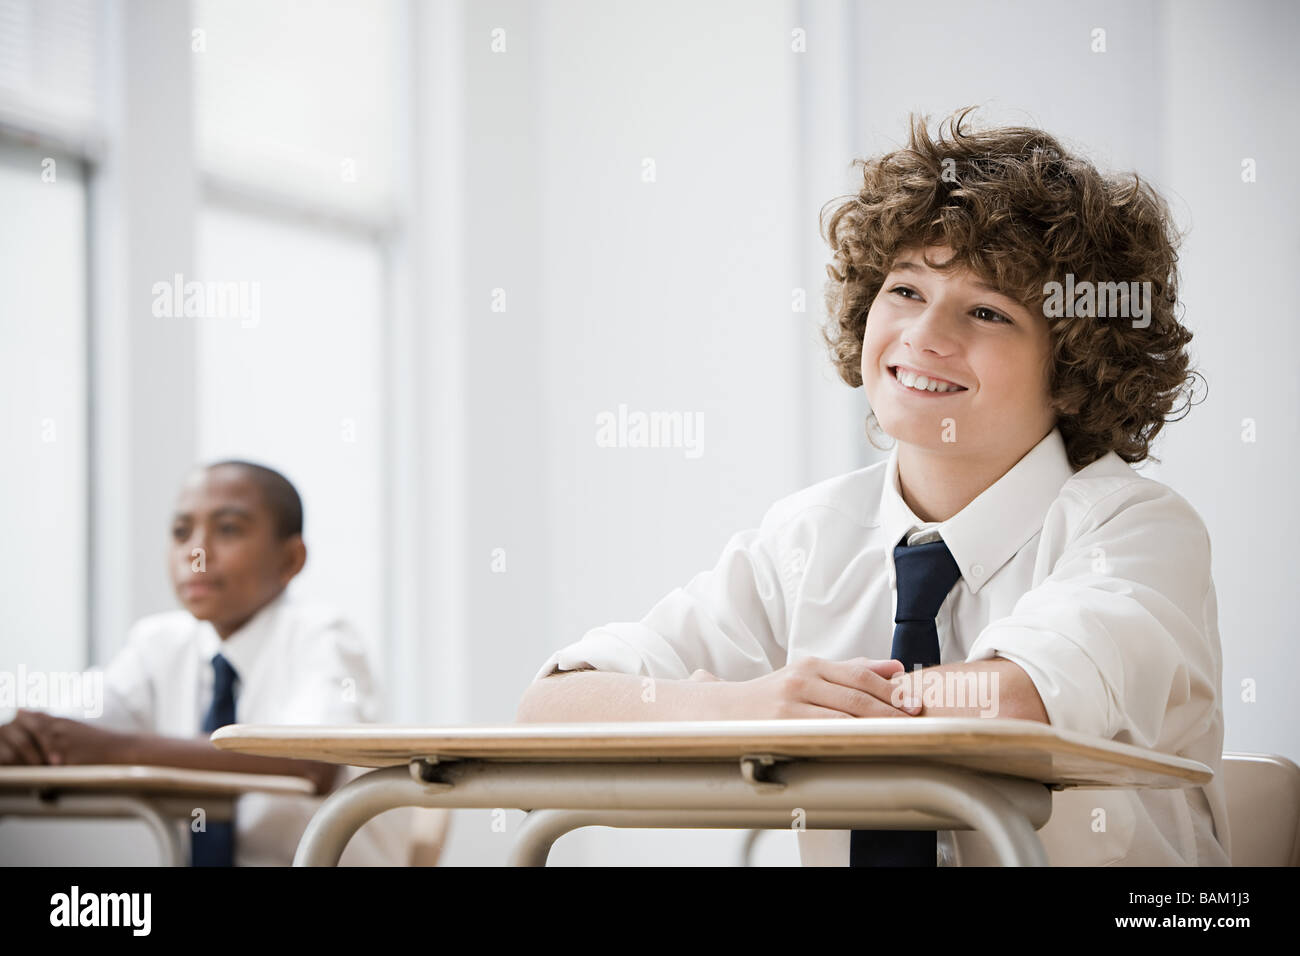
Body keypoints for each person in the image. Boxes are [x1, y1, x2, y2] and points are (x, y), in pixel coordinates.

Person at [517, 106, 1230, 867]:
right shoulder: (808, 535)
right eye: (907, 291)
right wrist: (745, 706)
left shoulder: (1135, 529)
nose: (926, 336)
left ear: (1076, 368)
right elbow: (550, 712)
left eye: (986, 311)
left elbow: (1010, 704)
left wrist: (782, 713)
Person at [0, 460, 407, 866]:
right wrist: (27, 738)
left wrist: (116, 749)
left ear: (290, 560)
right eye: (181, 532)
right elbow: (68, 730)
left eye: (228, 529)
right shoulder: (157, 643)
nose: (196, 553)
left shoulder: (322, 635)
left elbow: (312, 759)